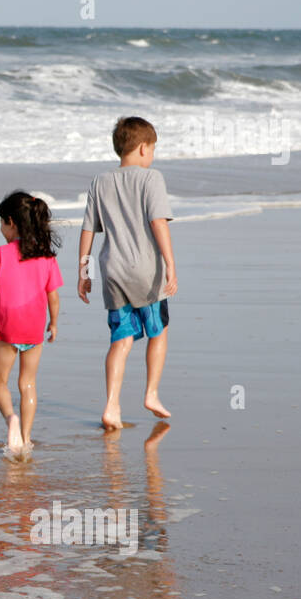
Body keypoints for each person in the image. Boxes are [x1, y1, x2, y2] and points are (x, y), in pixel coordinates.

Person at [77, 116, 177, 431]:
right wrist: (170, 263)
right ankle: (151, 394)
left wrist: (83, 271)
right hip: (146, 271)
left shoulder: (99, 181)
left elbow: (88, 229)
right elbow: (158, 222)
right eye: (154, 149)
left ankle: (111, 406)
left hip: (112, 271)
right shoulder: (152, 179)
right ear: (144, 148)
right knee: (158, 331)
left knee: (120, 340)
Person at [0, 191, 62, 456]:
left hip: (8, 326)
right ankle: (26, 439)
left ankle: (12, 420)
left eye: (1, 223)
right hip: (34, 326)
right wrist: (53, 323)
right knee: (28, 383)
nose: (0, 229)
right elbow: (53, 296)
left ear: (11, 221)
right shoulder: (46, 257)